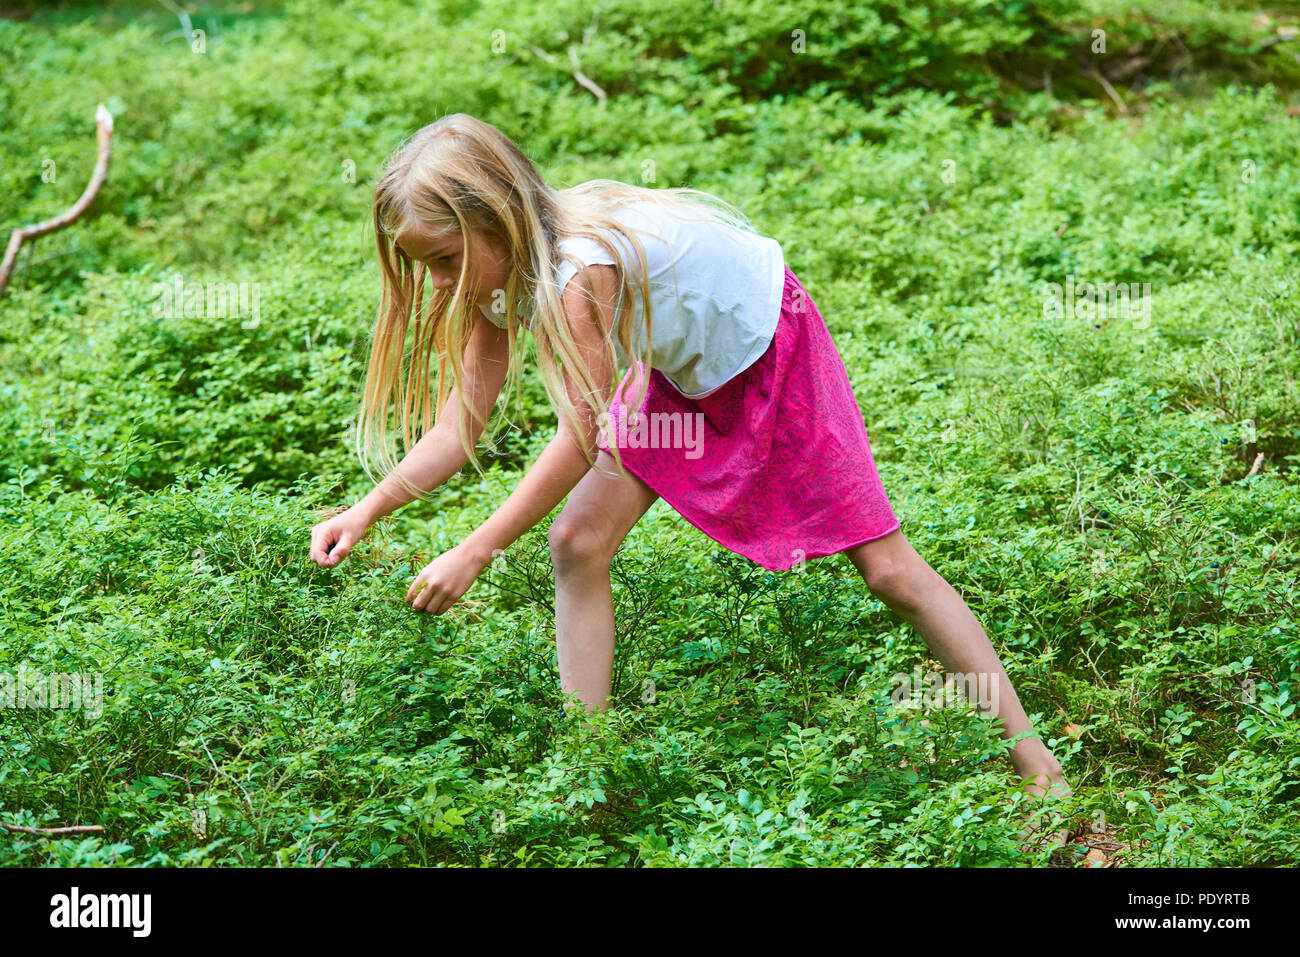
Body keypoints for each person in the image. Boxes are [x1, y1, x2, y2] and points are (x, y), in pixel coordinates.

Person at [308, 113, 1073, 846]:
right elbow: (458, 425)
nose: (437, 282)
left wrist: (475, 550)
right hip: (677, 379)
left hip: (772, 352)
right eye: (423, 265)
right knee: (578, 541)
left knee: (888, 569)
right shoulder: (498, 276)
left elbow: (581, 434)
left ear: (498, 219)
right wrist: (367, 509)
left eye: (444, 258)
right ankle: (590, 773)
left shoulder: (580, 274)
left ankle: (1039, 763)